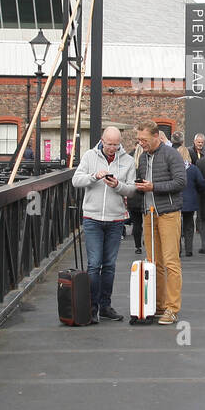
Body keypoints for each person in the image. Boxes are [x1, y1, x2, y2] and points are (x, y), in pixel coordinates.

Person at [71, 125, 136, 322]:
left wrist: (118, 186)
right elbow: (76, 180)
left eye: (116, 145)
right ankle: (92, 307)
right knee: (94, 264)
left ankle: (105, 306)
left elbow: (132, 190)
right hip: (92, 218)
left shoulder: (128, 161)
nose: (112, 148)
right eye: (109, 144)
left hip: (116, 219)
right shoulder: (90, 156)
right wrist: (94, 176)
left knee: (109, 265)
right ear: (102, 140)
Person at [133, 120, 186, 325]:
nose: (141, 143)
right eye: (138, 140)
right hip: (149, 213)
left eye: (144, 139)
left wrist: (153, 186)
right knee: (153, 261)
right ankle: (159, 304)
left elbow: (181, 182)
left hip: (168, 213)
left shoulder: (171, 154)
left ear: (156, 136)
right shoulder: (143, 157)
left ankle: (172, 308)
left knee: (171, 261)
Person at [179, 147, 205, 257]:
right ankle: (188, 249)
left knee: (176, 227)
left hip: (176, 201)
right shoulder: (193, 169)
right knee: (189, 225)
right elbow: (202, 183)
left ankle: (178, 249)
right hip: (190, 201)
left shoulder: (173, 169)